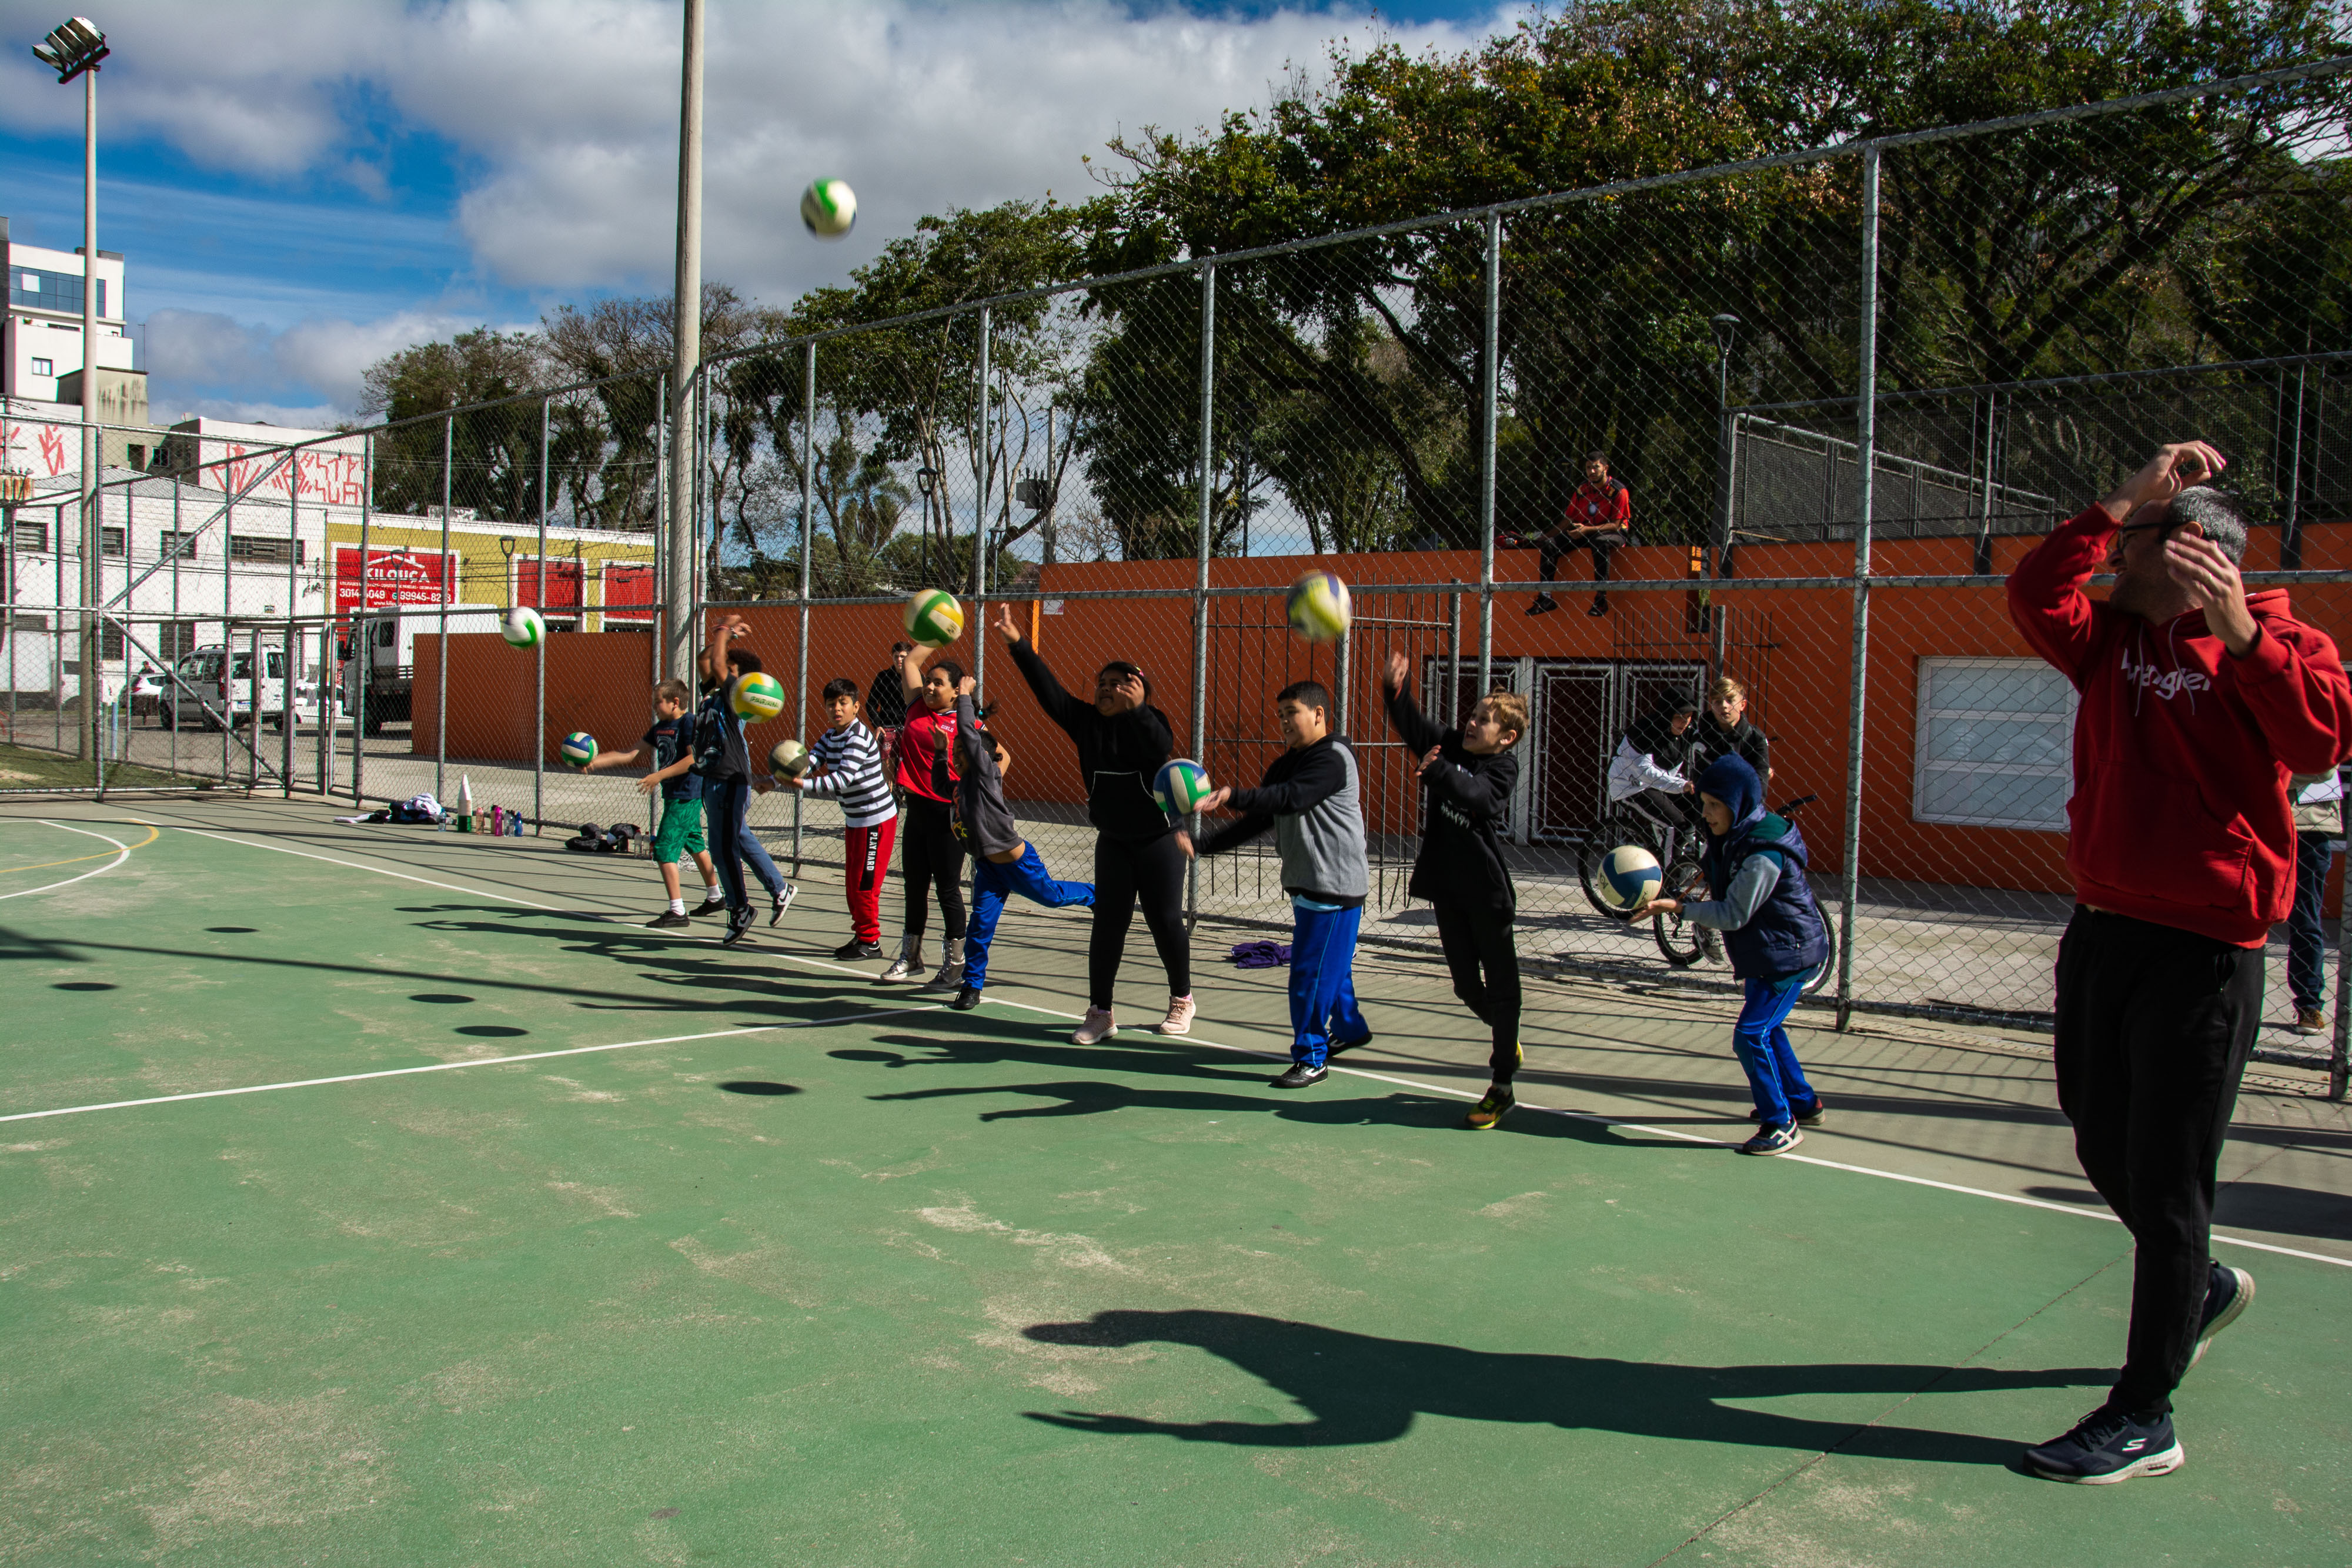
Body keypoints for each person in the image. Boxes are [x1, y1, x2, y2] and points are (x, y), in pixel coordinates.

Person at [2005, 439, 2352, 1484]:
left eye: (2138, 537)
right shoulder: (2108, 639)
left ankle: (2145, 1413)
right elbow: (2035, 588)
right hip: (2105, 923)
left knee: (2167, 1184)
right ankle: (2197, 1285)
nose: (2115, 554)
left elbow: (2323, 742)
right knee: (2095, 1130)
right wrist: (2125, 497)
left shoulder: (2277, 637)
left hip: (2205, 948)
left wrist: (2242, 631)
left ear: (2198, 550)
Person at [996, 605, 1194, 1041]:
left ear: (1139, 691)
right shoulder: (1085, 722)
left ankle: (1182, 998)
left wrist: (1139, 710)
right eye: (1102, 683)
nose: (1106, 689)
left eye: (1118, 683)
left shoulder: (1151, 722)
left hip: (1159, 838)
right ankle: (1101, 1012)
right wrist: (1018, 643)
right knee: (1108, 923)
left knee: (1164, 920)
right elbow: (1048, 690)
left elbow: (1161, 745)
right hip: (1115, 839)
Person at [1632, 754, 1830, 1158]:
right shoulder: (1733, 834)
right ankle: (1804, 1103)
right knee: (1767, 1028)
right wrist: (1673, 891)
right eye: (1703, 803)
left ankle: (1781, 1123)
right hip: (1768, 952)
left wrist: (1680, 909)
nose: (1705, 814)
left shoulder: (1764, 852)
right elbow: (1715, 871)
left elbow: (1734, 913)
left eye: (1714, 805)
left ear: (1738, 803)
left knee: (1750, 1034)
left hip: (1790, 955)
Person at [1185, 680, 1371, 1088]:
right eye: (1281, 714)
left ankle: (1312, 1058)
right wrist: (1205, 844)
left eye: (1293, 713)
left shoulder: (1333, 758)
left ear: (1319, 715)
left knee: (1308, 975)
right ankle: (1351, 1028)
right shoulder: (1286, 763)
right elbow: (1262, 817)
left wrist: (1233, 794)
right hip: (1307, 882)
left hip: (1334, 886)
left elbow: (1293, 797)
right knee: (1332, 968)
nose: (1285, 721)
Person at [1381, 652, 1530, 1128]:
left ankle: (1501, 1084)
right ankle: (1506, 1036)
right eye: (1473, 713)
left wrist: (1439, 770)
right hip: (1449, 890)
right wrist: (1395, 692)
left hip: (1487, 895)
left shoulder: (1503, 769)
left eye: (1484, 720)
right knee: (1467, 987)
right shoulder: (1448, 746)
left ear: (1506, 737)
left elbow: (1480, 798)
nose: (1472, 721)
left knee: (1503, 990)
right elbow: (1414, 726)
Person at [947, 673, 1094, 1011]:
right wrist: (943, 753)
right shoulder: (962, 785)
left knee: (1053, 898)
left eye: (962, 751)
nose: (958, 755)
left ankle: (1094, 895)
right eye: (956, 752)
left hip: (1017, 863)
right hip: (988, 868)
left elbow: (970, 735)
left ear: (982, 757)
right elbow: (944, 779)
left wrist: (965, 695)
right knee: (979, 927)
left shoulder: (985, 775)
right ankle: (972, 986)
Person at [580, 677, 723, 928]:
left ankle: (677, 912)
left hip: (685, 795)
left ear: (675, 702)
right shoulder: (660, 728)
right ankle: (716, 897)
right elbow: (630, 754)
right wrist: (594, 762)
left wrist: (658, 776)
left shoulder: (689, 723)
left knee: (664, 850)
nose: (655, 707)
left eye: (658, 702)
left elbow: (693, 759)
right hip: (675, 796)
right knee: (694, 843)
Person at [691, 616, 786, 948]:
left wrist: (725, 629)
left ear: (738, 676)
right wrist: (726, 638)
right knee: (731, 842)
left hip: (730, 779)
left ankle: (740, 909)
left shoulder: (738, 694)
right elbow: (706, 660)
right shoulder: (714, 693)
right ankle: (778, 889)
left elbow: (717, 664)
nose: (719, 671)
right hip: (714, 779)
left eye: (728, 668)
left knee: (723, 849)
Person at [880, 641, 968, 988]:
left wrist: (976, 797)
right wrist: (937, 632)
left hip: (948, 814)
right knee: (914, 886)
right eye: (928, 681)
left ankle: (955, 965)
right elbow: (910, 663)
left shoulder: (966, 722)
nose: (930, 687)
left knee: (948, 890)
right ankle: (912, 957)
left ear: (955, 692)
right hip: (916, 810)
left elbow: (1001, 757)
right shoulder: (916, 706)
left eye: (939, 683)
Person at [791, 676, 898, 961]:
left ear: (856, 707)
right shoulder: (831, 736)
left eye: (843, 703)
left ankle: (871, 942)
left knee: (865, 885)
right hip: (855, 820)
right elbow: (809, 763)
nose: (836, 709)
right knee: (852, 885)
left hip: (876, 821)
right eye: (831, 704)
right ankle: (862, 935)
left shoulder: (858, 737)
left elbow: (841, 779)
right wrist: (776, 779)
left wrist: (801, 785)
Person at [1530, 453, 1631, 617]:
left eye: (1596, 467)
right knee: (1550, 545)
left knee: (1600, 542)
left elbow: (1616, 525)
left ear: (1605, 468)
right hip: (1585, 531)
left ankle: (1601, 599)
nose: (1592, 471)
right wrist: (1546, 537)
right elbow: (1569, 519)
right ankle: (1546, 597)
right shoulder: (1583, 489)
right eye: (1588, 468)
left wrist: (1586, 530)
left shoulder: (1618, 491)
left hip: (1612, 532)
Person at [2286, 765, 2345, 1035]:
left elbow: (2323, 766)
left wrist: (2263, 771)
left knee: (2305, 918)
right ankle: (2230, 1001)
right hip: (2256, 819)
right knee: (2246, 915)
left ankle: (2309, 1004)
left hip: (2308, 825)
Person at [1608, 694, 1702, 832]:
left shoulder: (1690, 730)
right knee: (1677, 825)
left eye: (1689, 716)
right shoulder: (1645, 730)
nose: (1685, 722)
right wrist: (1682, 785)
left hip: (1661, 781)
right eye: (1679, 716)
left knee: (1698, 813)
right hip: (1632, 785)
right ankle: (1671, 845)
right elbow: (1645, 772)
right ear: (1667, 715)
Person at [1692, 675, 1771, 783]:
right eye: (1718, 701)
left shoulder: (1755, 737)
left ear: (1742, 705)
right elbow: (1704, 779)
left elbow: (1759, 782)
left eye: (1730, 700)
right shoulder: (1701, 735)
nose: (1724, 705)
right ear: (1712, 705)